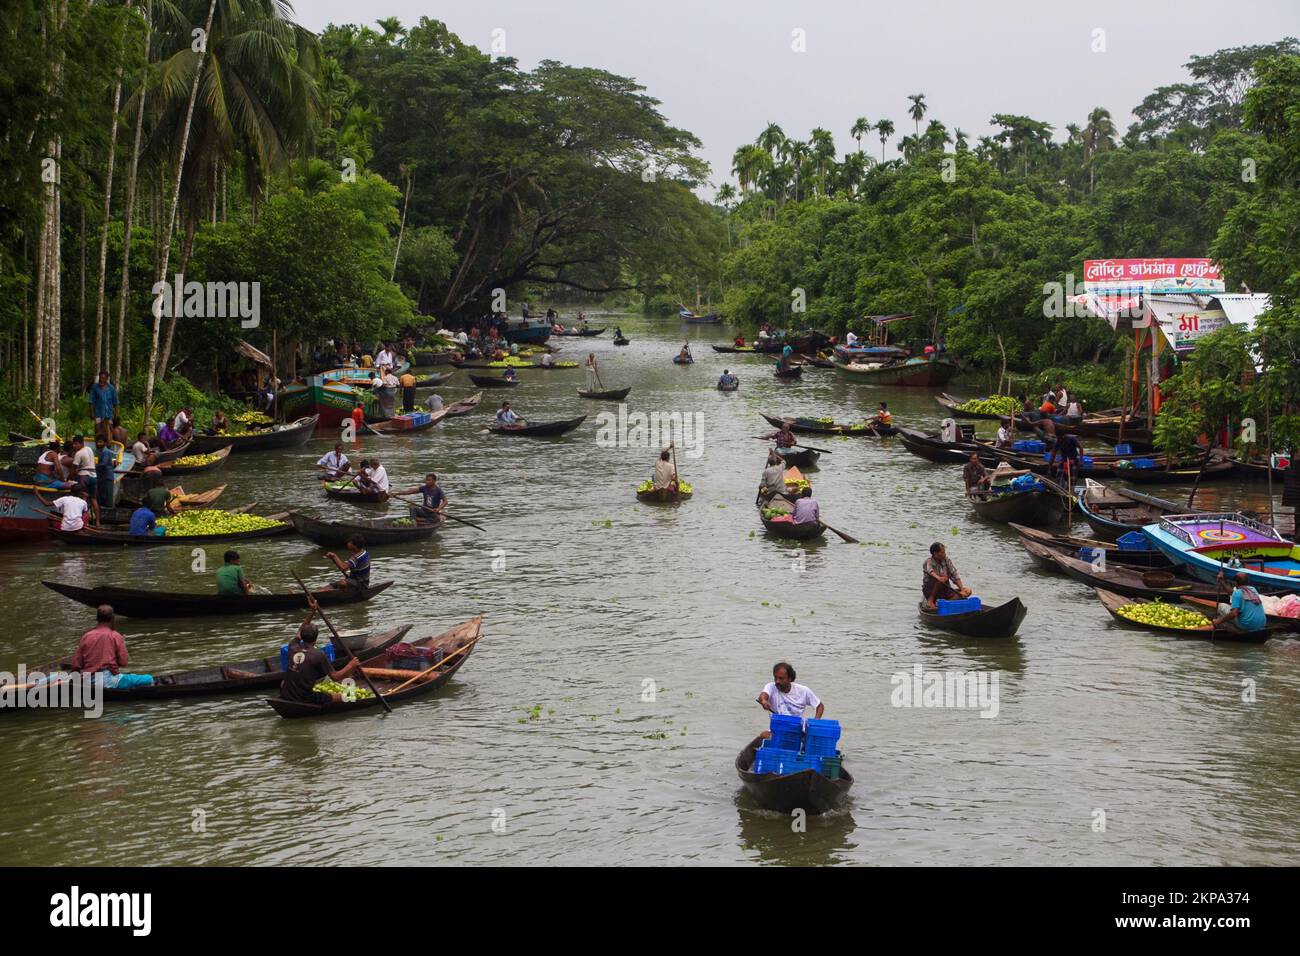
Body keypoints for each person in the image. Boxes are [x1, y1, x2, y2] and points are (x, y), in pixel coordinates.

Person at [278, 613, 362, 705]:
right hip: (304, 697)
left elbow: (300, 631)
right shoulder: (318, 654)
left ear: (302, 636)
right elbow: (335, 677)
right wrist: (351, 665)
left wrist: (312, 612)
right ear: (316, 639)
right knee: (344, 697)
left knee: (283, 683)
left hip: (285, 694)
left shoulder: (293, 646)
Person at [69, 605, 152, 688]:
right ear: (112, 619)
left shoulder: (86, 636)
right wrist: (122, 643)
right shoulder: (115, 636)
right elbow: (124, 663)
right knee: (149, 679)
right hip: (107, 681)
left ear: (97, 619)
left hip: (88, 680)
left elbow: (75, 665)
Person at [757, 662, 824, 719]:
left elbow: (819, 706)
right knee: (763, 735)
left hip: (798, 728)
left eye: (781, 678)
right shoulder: (771, 687)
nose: (777, 681)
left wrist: (815, 722)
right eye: (775, 678)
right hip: (778, 728)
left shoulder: (803, 690)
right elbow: (763, 696)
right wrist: (764, 701)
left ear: (790, 678)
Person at [923, 542, 972, 607]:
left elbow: (954, 575)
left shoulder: (946, 560)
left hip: (945, 589)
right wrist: (938, 577)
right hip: (930, 590)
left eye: (944, 552)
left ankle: (946, 603)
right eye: (942, 552)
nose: (945, 554)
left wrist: (962, 589)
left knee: (968, 591)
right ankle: (931, 600)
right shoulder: (928, 561)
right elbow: (930, 571)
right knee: (940, 580)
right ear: (935, 554)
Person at [88, 372, 120, 438]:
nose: (101, 380)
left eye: (103, 378)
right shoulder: (95, 387)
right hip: (98, 413)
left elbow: (116, 402)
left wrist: (116, 414)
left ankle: (109, 444)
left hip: (109, 414)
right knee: (98, 430)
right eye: (100, 378)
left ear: (106, 379)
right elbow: (91, 401)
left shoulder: (111, 388)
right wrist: (92, 413)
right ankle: (98, 444)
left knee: (110, 431)